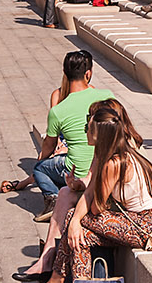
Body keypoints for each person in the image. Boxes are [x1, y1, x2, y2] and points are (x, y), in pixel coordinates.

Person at [23, 102, 152, 283]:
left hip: (148, 225)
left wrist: (74, 220)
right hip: (133, 220)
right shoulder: (104, 155)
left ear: (99, 135)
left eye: (89, 127)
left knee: (77, 221)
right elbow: (89, 196)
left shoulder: (114, 162)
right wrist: (74, 223)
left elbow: (94, 208)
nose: (85, 130)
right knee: (79, 234)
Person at [29, 51, 110, 202]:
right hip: (107, 167)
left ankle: (53, 199)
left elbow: (49, 145)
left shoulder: (57, 110)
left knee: (40, 169)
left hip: (77, 170)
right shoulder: (107, 96)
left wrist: (41, 159)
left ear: (65, 73)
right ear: (88, 73)